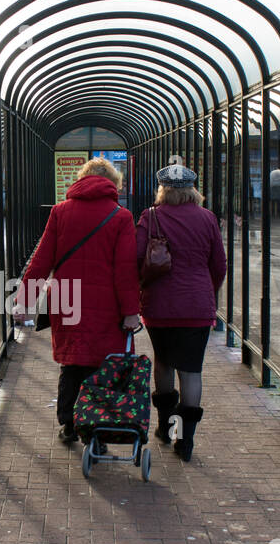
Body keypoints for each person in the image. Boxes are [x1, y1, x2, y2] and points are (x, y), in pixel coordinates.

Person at [15, 157, 140, 444]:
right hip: (107, 306)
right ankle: (94, 427)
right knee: (99, 363)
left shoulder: (60, 212)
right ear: (114, 184)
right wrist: (131, 311)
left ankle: (69, 424)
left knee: (71, 362)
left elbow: (41, 262)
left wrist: (24, 303)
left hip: (65, 299)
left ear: (82, 179)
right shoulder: (121, 216)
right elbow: (125, 271)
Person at [135, 163, 226, 462]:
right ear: (192, 189)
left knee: (164, 363)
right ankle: (185, 441)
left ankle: (165, 427)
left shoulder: (150, 217)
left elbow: (136, 258)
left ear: (162, 189)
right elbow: (219, 264)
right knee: (191, 371)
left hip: (159, 306)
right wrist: (206, 292)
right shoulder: (208, 218)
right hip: (197, 307)